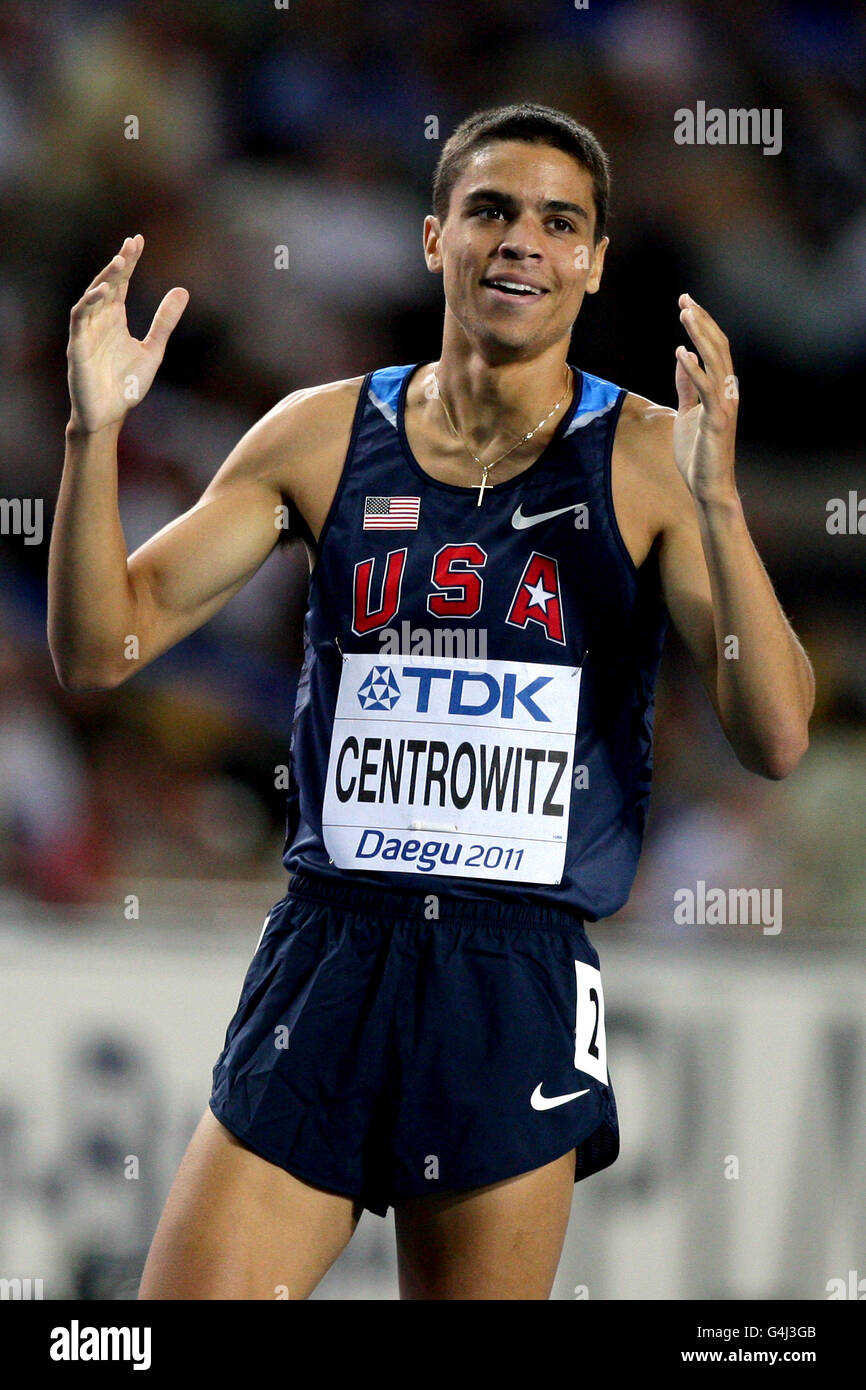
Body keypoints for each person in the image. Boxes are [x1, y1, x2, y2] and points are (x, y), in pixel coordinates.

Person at [48, 103, 814, 1300]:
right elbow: (102, 648)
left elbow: (773, 736)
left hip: (512, 972)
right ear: (432, 238)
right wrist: (92, 437)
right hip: (328, 951)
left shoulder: (654, 459)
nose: (521, 241)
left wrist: (719, 511)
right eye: (491, 210)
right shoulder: (315, 435)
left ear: (593, 263)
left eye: (558, 223)